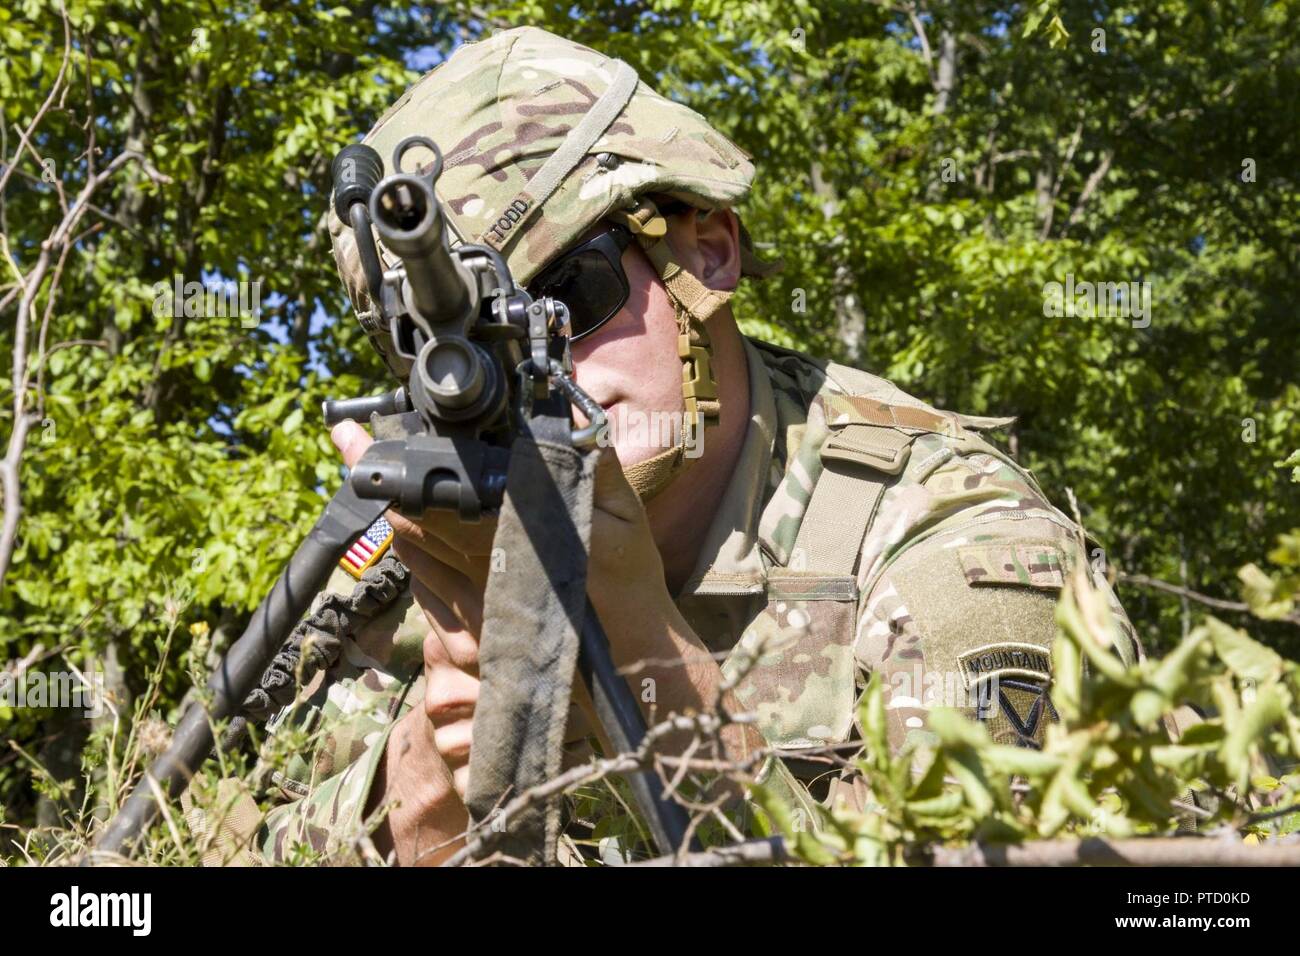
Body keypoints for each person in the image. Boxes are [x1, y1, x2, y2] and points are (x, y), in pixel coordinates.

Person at [231, 26, 1141, 866]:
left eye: (567, 300)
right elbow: (217, 843)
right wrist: (427, 793)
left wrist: (633, 642)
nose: (537, 372)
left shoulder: (950, 544)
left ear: (706, 254)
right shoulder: (419, 550)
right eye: (461, 345)